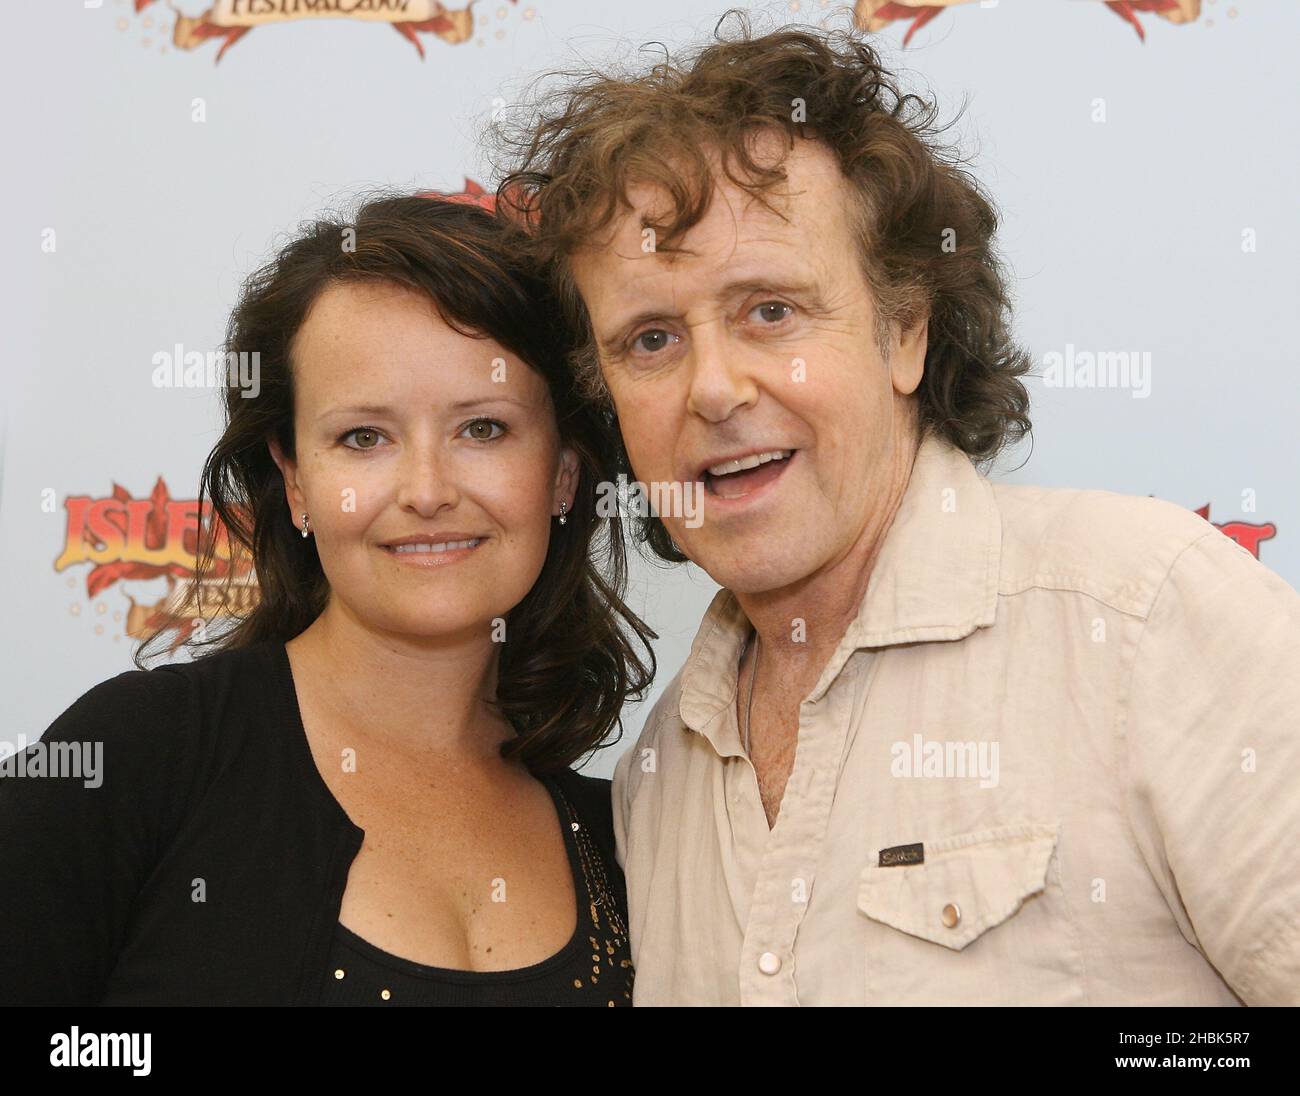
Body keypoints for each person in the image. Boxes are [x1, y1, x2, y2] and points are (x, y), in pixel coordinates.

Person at [496, 16, 1300, 1005]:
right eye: (651, 339)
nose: (712, 388)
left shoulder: (1142, 622)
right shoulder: (660, 774)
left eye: (770, 311)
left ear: (905, 331)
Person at [0, 192, 655, 1006]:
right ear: (297, 481)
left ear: (562, 472)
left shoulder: (624, 837)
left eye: (482, 428)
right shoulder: (139, 760)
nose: (426, 491)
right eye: (363, 438)